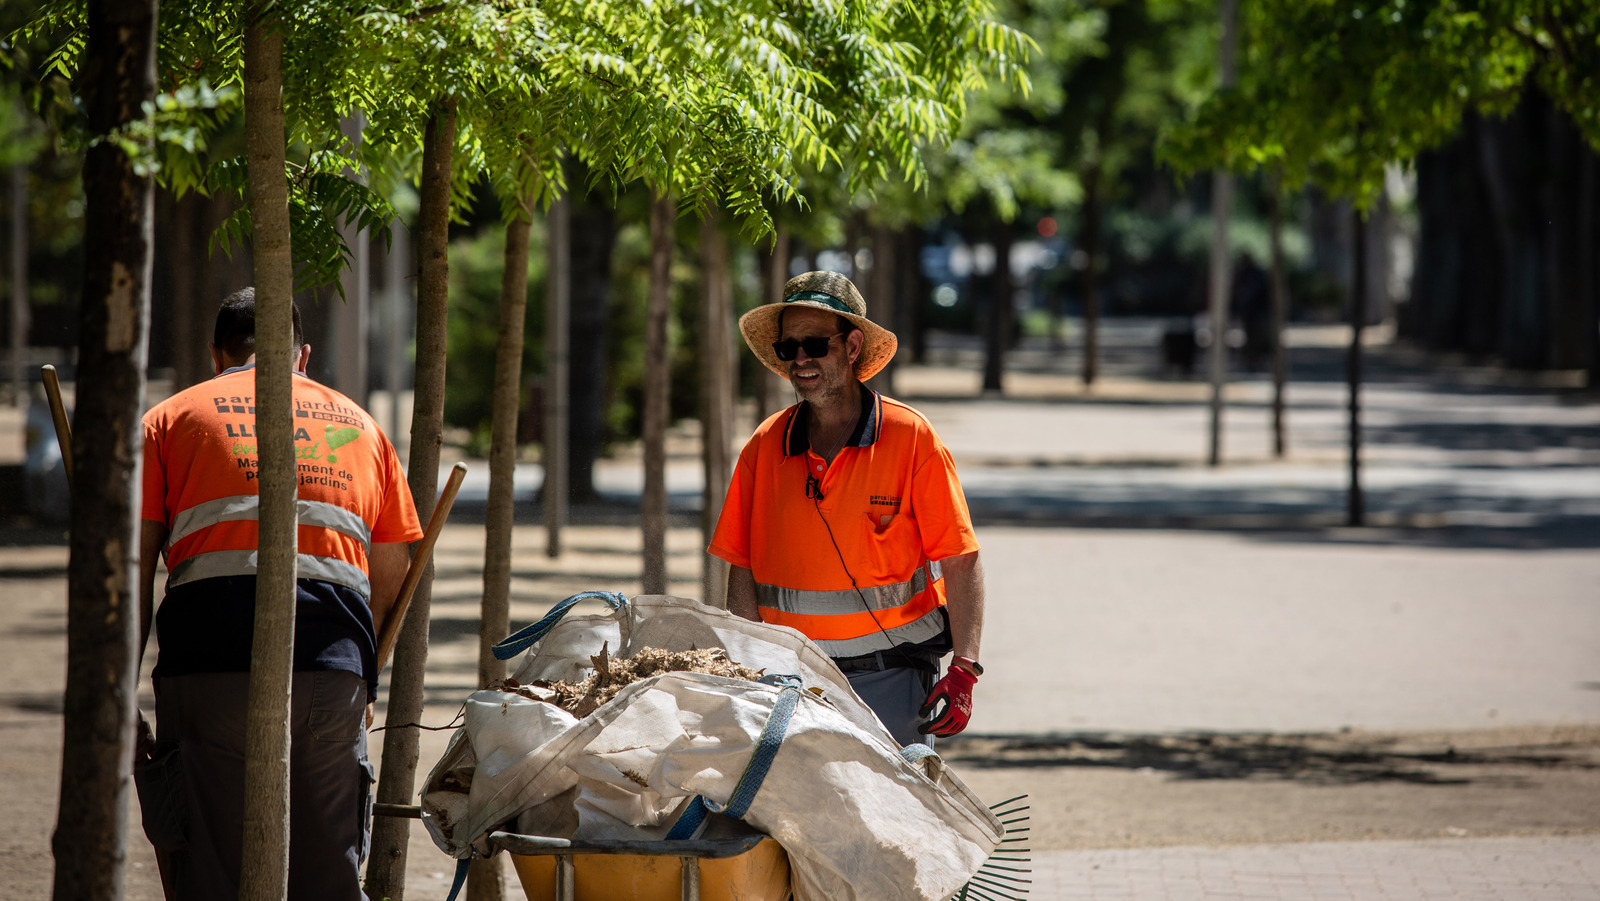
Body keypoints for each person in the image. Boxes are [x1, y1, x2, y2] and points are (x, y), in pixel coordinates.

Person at [137, 288, 422, 900]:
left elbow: (130, 568)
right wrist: (361, 673)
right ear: (303, 356)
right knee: (327, 870)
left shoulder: (169, 420)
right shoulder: (362, 428)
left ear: (217, 356)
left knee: (212, 866)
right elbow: (393, 568)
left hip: (208, 666)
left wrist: (116, 683)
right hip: (330, 667)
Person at [709, 270, 987, 747]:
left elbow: (961, 560)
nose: (800, 360)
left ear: (853, 346)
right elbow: (742, 570)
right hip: (789, 685)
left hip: (893, 682)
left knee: (892, 821)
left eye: (815, 344)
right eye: (788, 348)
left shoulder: (911, 437)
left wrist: (964, 669)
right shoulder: (763, 446)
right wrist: (747, 667)